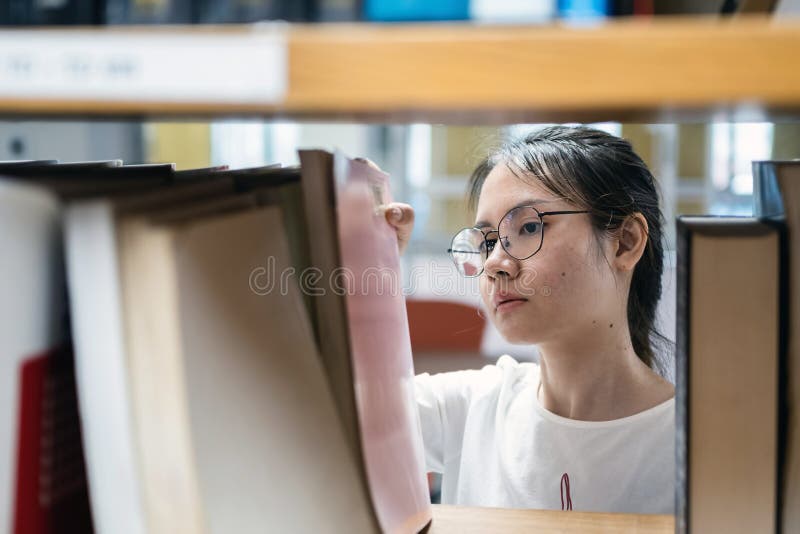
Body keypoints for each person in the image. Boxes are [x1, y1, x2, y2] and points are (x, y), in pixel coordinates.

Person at [382, 125, 675, 514]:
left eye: (529, 228)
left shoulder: (700, 446)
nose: (496, 264)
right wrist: (368, 256)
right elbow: (324, 413)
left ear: (625, 242)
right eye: (486, 242)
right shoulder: (469, 408)